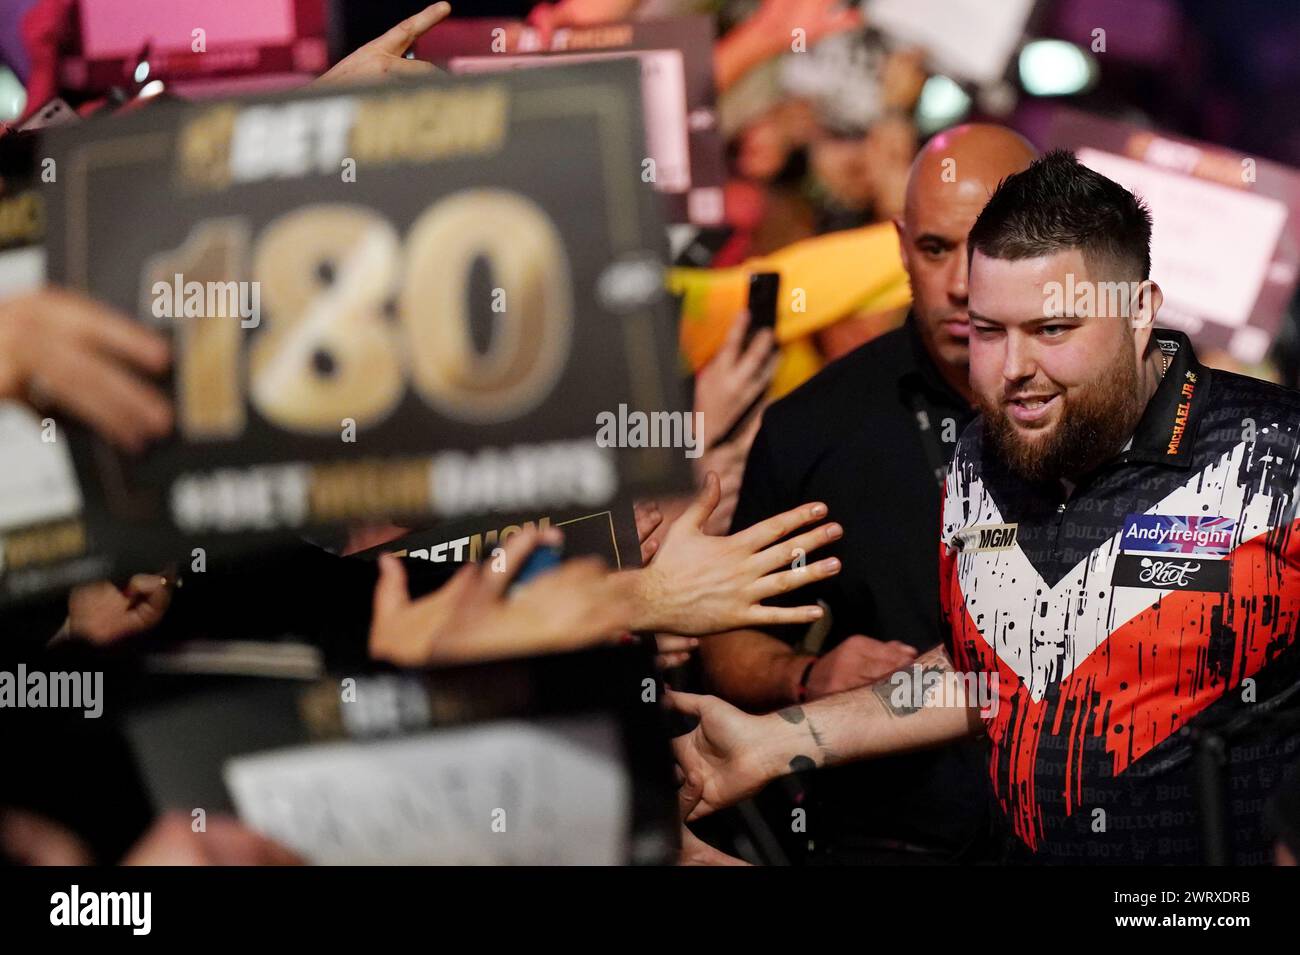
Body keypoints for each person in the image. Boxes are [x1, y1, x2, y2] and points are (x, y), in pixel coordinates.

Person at [671, 151, 1300, 863]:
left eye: (1053, 330)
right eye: (991, 331)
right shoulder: (980, 453)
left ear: (1140, 311)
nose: (1012, 370)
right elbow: (999, 665)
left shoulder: (1277, 456)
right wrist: (780, 738)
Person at [697, 124, 1035, 863]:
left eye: (986, 248)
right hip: (888, 840)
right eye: (934, 248)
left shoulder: (1130, 404)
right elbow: (724, 632)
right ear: (901, 243)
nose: (957, 284)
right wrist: (805, 674)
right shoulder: (815, 425)